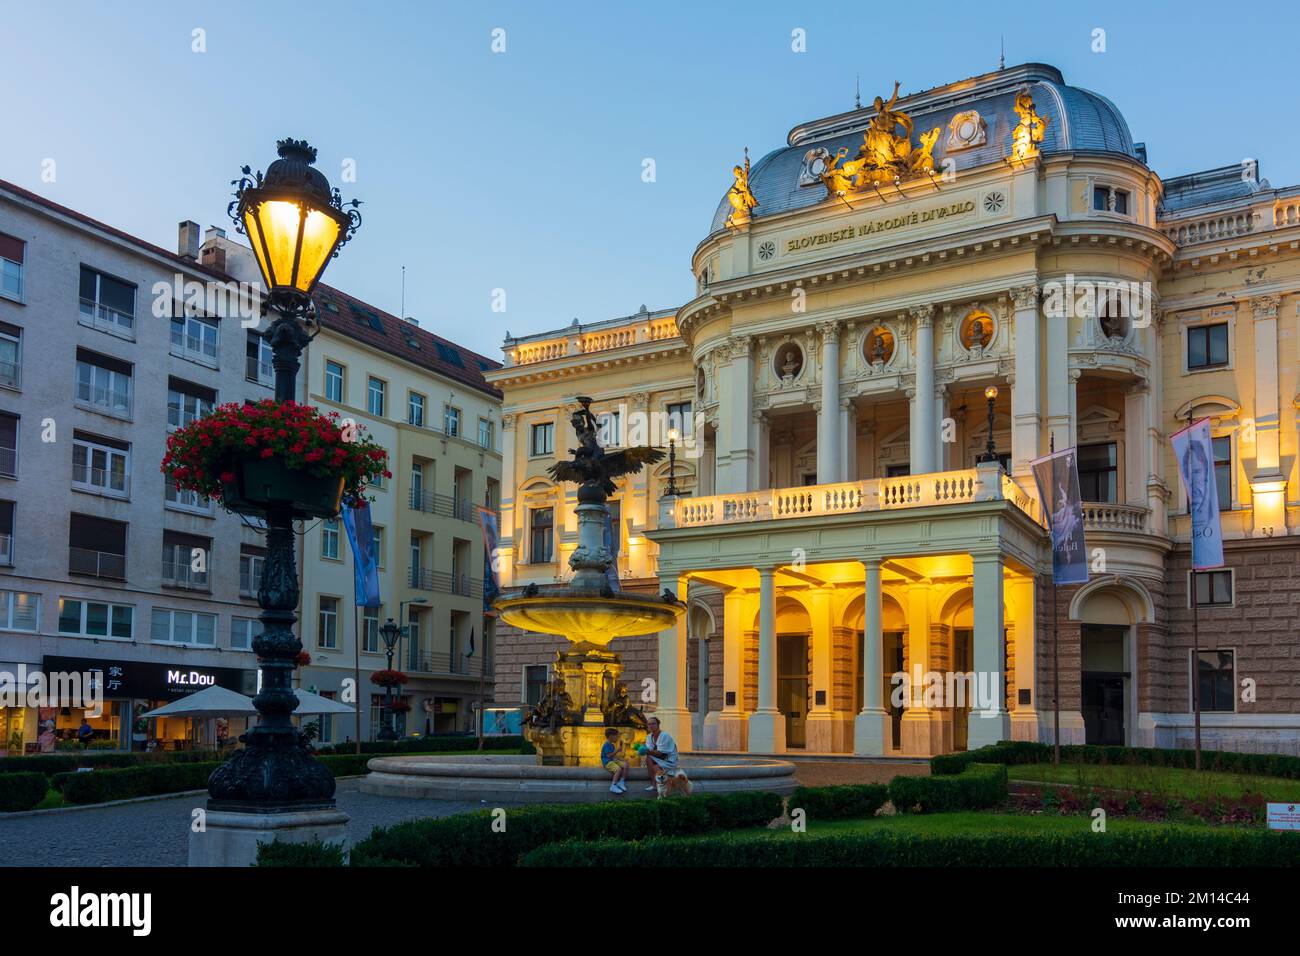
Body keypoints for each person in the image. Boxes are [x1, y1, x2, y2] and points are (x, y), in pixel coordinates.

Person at [641, 716, 678, 792]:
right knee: (649, 758)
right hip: (659, 759)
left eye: (653, 724)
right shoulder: (649, 737)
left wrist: (645, 750)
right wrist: (642, 750)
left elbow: (660, 753)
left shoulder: (664, 735)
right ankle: (654, 785)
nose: (651, 726)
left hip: (669, 760)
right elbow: (649, 751)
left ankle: (663, 788)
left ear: (658, 724)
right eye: (649, 724)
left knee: (655, 767)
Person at [600, 728, 629, 794]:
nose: (617, 738)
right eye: (616, 736)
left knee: (625, 765)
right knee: (618, 770)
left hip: (612, 761)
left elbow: (613, 756)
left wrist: (622, 760)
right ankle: (613, 785)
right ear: (611, 736)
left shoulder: (612, 745)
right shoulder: (606, 744)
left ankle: (621, 782)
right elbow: (608, 756)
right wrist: (617, 750)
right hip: (607, 762)